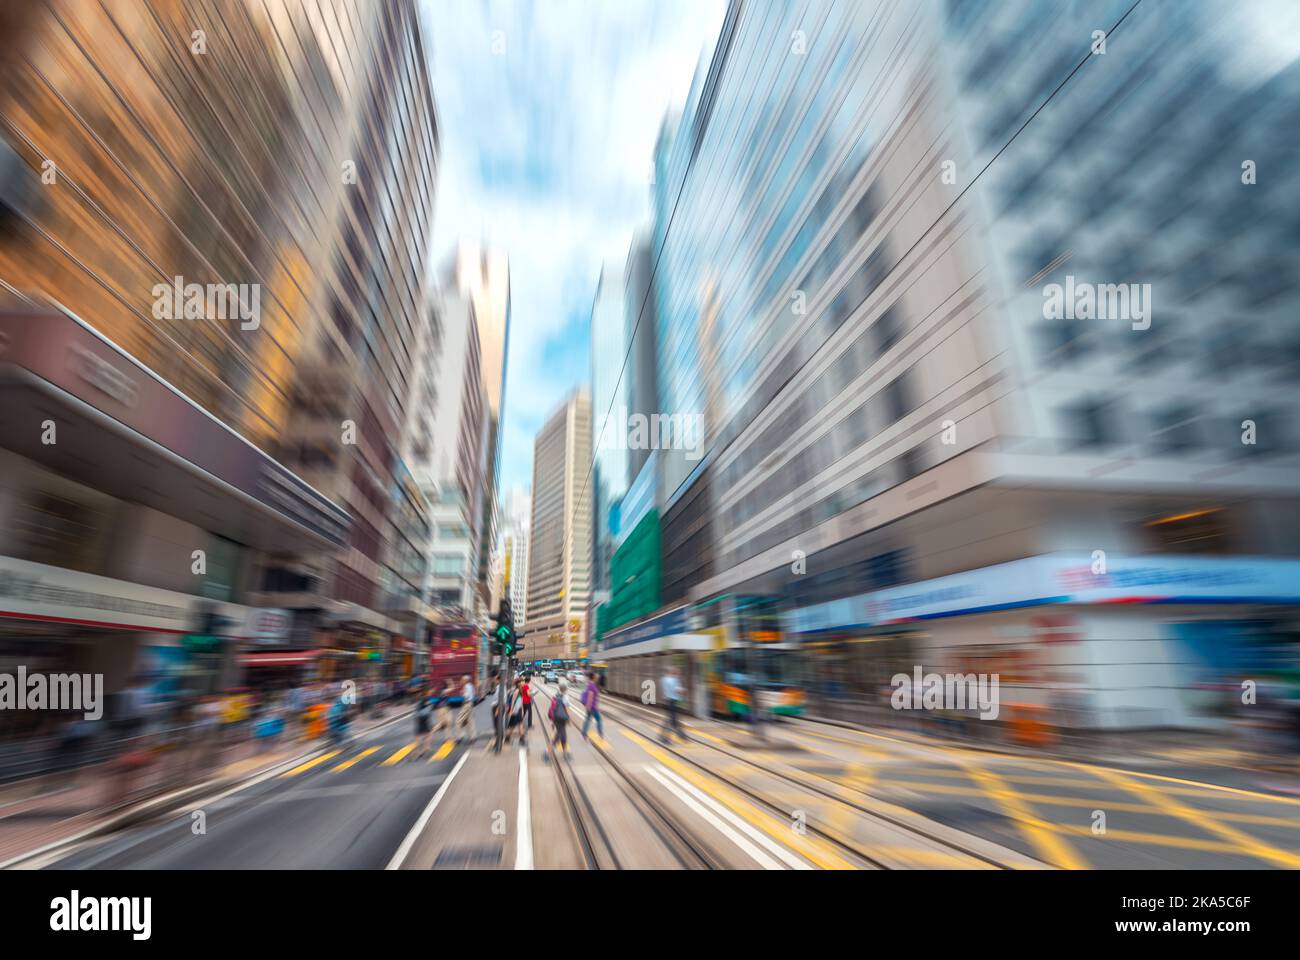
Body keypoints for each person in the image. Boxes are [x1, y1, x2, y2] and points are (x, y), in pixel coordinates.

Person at [659, 666, 685, 744]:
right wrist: (683, 690)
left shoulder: (663, 679)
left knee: (670, 720)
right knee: (672, 721)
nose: (676, 673)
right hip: (672, 701)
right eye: (674, 672)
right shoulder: (671, 680)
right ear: (671, 672)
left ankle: (662, 736)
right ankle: (665, 739)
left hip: (668, 700)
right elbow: (676, 689)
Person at [581, 670, 604, 741]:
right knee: (599, 720)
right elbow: (590, 697)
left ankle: (584, 734)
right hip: (593, 707)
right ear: (593, 677)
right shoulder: (592, 685)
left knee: (587, 720)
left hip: (592, 707)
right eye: (596, 675)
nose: (597, 676)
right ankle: (600, 735)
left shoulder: (590, 684)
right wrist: (588, 707)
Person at [549, 678, 571, 754]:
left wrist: (552, 721)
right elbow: (567, 708)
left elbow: (553, 708)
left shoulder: (555, 695)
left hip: (556, 717)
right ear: (565, 689)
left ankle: (564, 750)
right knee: (560, 733)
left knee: (562, 732)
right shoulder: (566, 697)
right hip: (563, 717)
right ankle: (550, 749)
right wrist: (569, 718)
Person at [458, 674, 476, 743]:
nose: (461, 681)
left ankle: (460, 737)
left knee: (459, 721)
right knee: (470, 722)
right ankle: (472, 737)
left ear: (465, 680)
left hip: (466, 704)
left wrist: (462, 692)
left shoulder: (466, 686)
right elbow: (473, 694)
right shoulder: (471, 686)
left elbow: (466, 696)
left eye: (462, 679)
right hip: (470, 704)